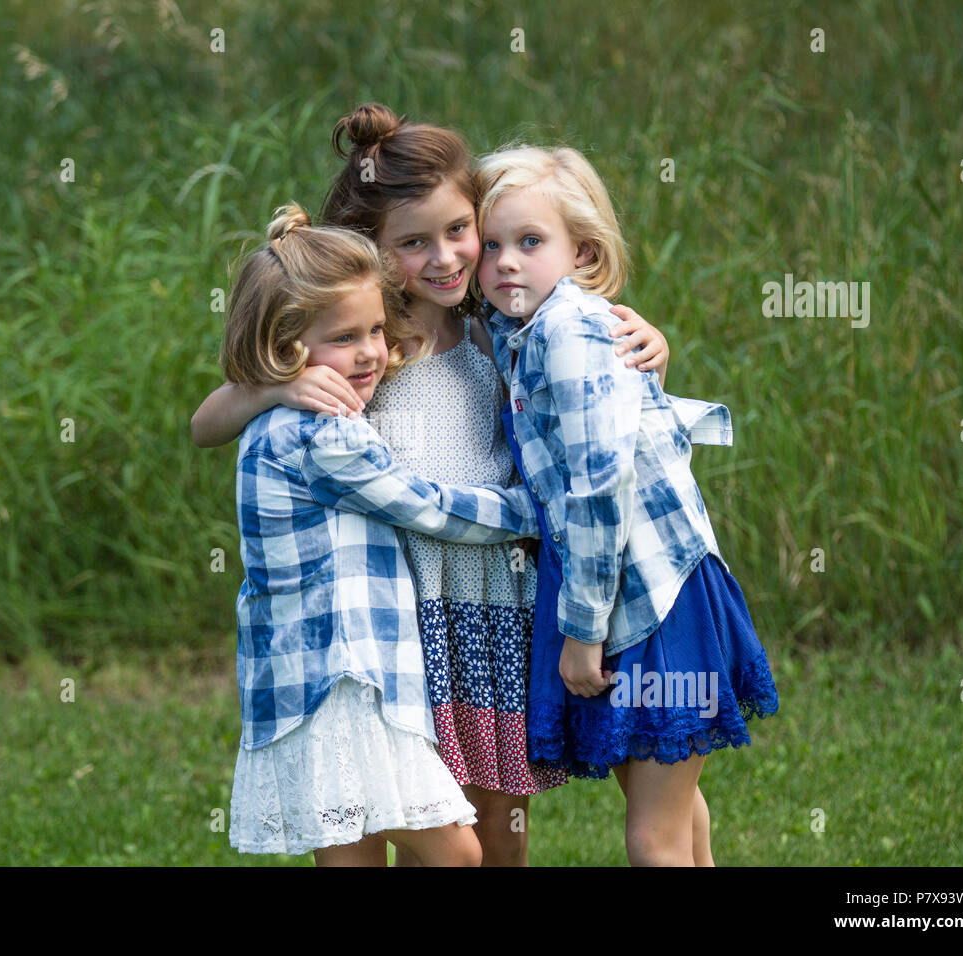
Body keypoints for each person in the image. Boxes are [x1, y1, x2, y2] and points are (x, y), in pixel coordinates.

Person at [193, 104, 672, 866]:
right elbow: (208, 421)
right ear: (374, 252)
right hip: (407, 622)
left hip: (498, 608)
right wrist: (272, 390)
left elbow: (587, 371)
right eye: (413, 243)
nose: (446, 256)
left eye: (459, 230)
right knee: (426, 827)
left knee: (498, 834)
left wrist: (647, 339)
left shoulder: (498, 329)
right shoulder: (362, 347)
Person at [476, 144, 779, 866]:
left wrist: (581, 632)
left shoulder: (568, 331)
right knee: (673, 808)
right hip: (633, 586)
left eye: (529, 242)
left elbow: (600, 486)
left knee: (654, 832)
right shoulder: (523, 329)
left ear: (582, 251)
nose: (506, 262)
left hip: (649, 595)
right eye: (490, 245)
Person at [222, 202, 545, 866]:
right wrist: (533, 509)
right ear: (287, 349)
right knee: (459, 855)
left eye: (376, 329)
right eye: (347, 338)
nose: (372, 351)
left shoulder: (269, 424)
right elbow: (427, 508)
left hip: (295, 683)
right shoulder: (325, 434)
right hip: (348, 683)